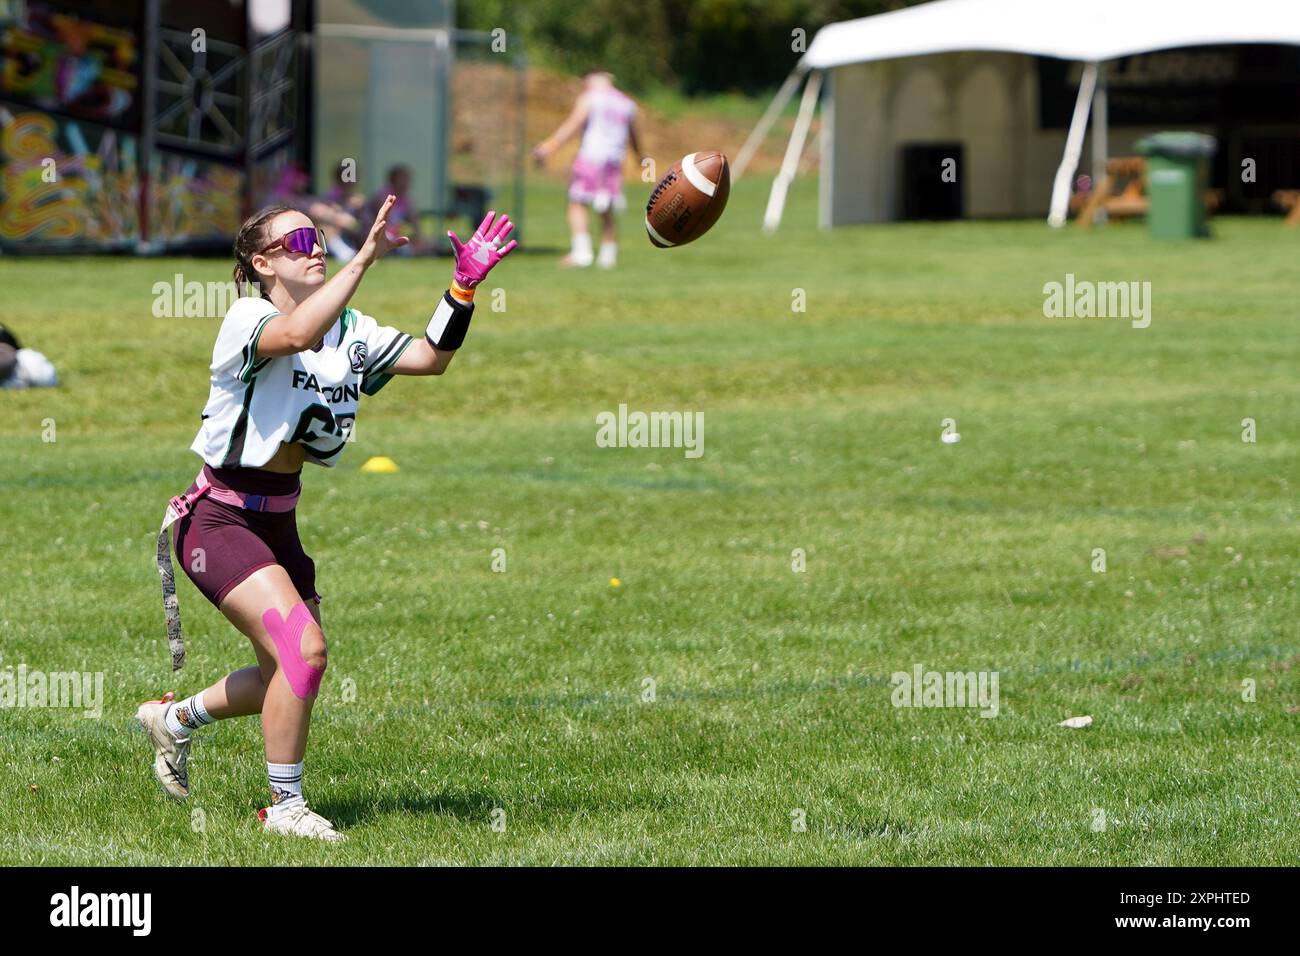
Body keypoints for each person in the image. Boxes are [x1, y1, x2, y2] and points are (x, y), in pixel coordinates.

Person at [138, 196, 516, 842]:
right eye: (298, 241)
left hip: (280, 523)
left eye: (318, 238)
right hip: (218, 522)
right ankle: (284, 808)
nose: (314, 247)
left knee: (289, 670)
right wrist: (364, 254)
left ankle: (173, 723)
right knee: (303, 651)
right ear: (262, 263)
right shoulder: (248, 318)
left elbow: (431, 357)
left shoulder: (349, 329)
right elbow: (296, 336)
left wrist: (461, 289)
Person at [533, 69, 641, 269]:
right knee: (607, 208)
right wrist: (640, 157)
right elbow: (633, 136)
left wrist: (550, 145)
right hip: (613, 162)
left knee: (577, 203)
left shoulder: (590, 98)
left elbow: (574, 124)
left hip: (591, 158)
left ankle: (582, 253)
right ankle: (608, 257)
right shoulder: (627, 103)